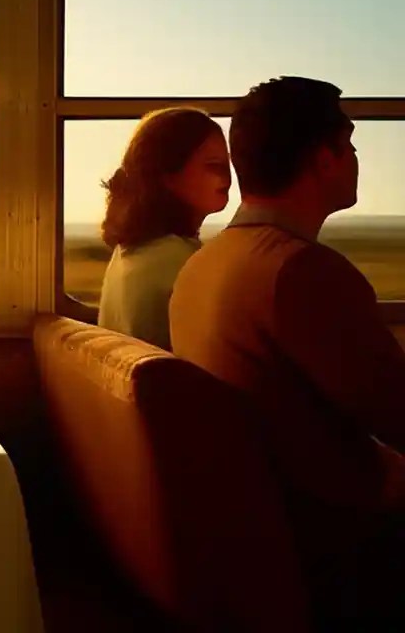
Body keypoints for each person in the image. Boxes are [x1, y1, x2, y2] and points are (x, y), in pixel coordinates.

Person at [169, 76, 405, 625]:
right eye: (347, 145)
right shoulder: (303, 271)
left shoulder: (204, 265)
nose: (351, 159)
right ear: (323, 160)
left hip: (267, 528)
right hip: (342, 543)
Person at [96, 107, 231, 350]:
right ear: (168, 176)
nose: (228, 177)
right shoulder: (180, 262)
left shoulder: (129, 251)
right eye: (213, 165)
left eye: (227, 164)